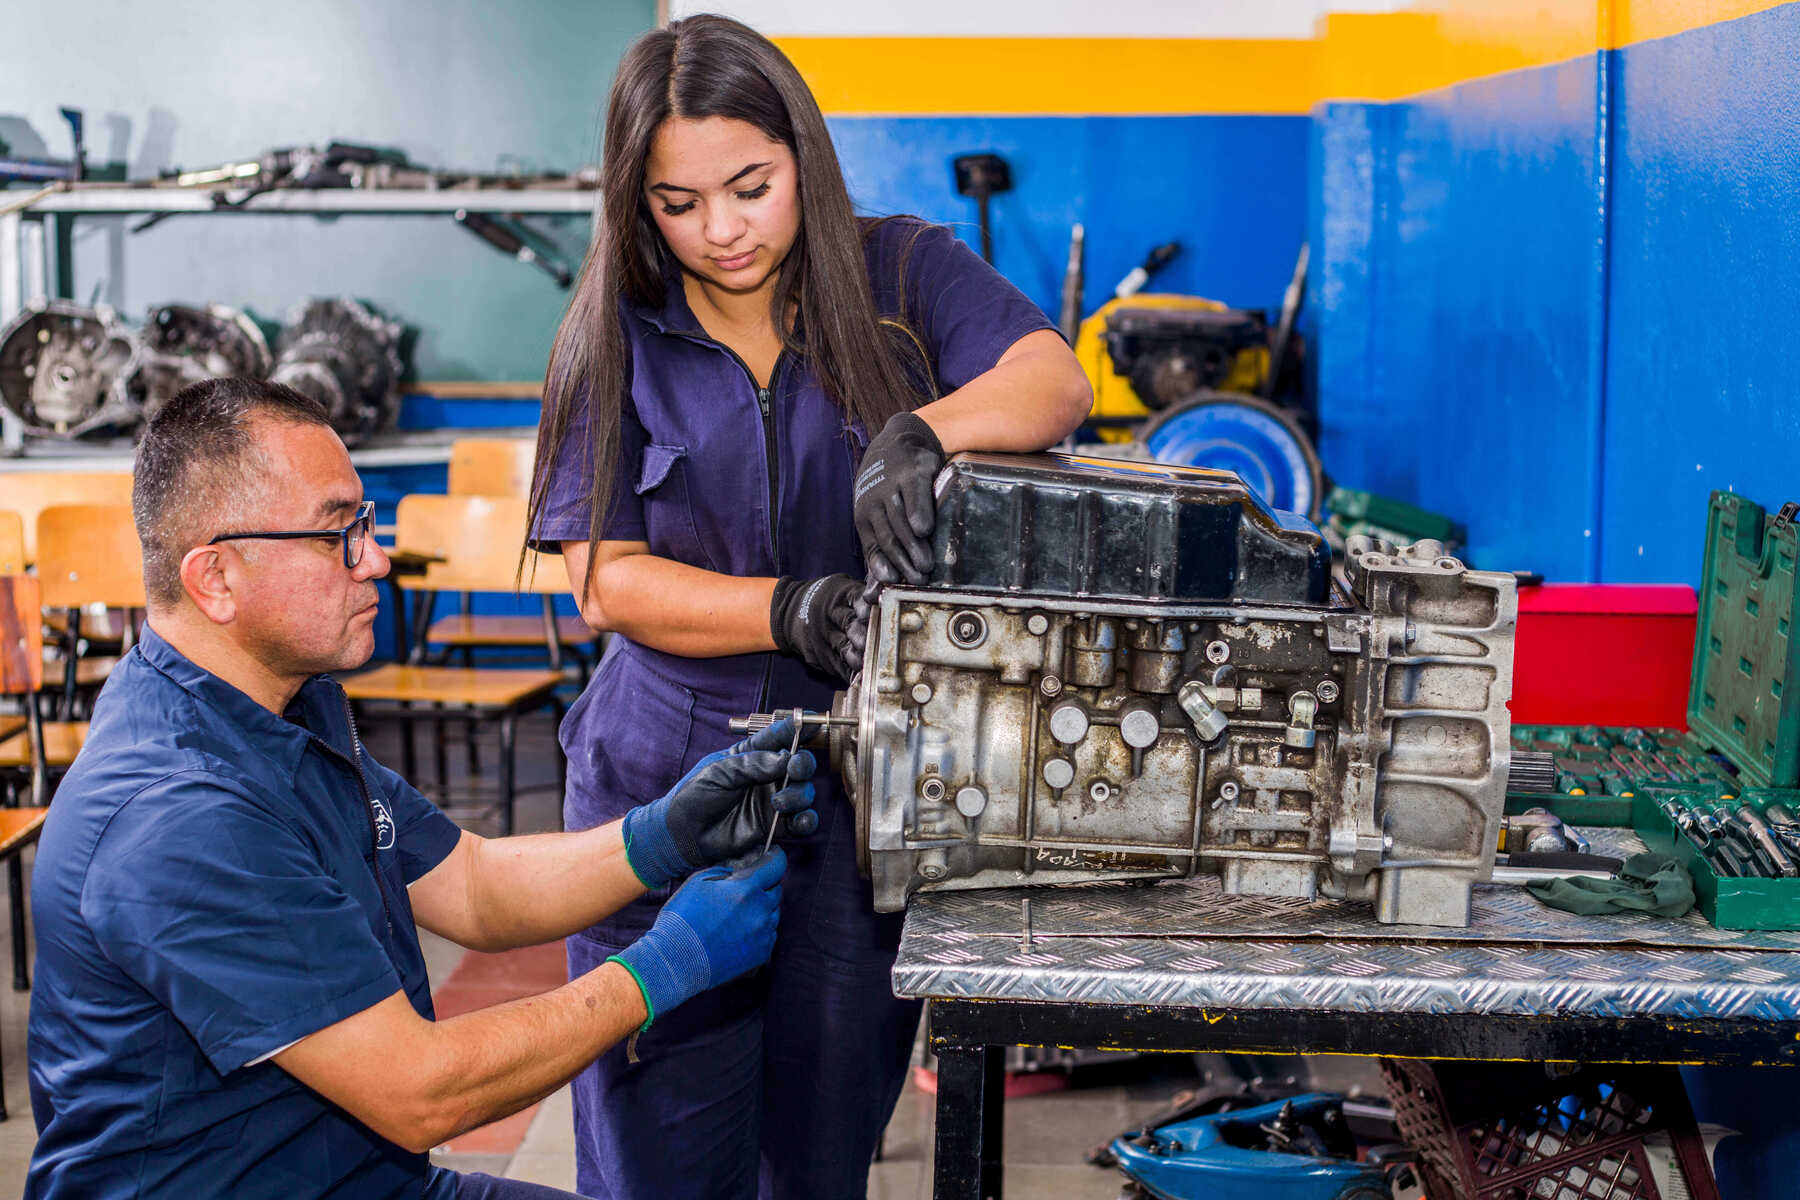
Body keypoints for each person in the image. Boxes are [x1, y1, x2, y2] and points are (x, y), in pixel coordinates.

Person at [525, 14, 1093, 1198]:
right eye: (678, 203)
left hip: (863, 799)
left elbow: (1055, 378)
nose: (721, 230)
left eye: (750, 186)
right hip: (663, 796)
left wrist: (919, 431)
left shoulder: (899, 271)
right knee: (659, 1162)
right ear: (637, 200)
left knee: (822, 1159)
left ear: (804, 157)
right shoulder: (611, 333)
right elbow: (603, 577)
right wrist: (786, 610)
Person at [25, 377, 819, 1200]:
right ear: (215, 578)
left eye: (364, 524)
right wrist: (665, 966)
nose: (376, 558)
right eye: (338, 532)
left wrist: (663, 837)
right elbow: (421, 1090)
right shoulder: (179, 815)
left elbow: (472, 886)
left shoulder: (277, 708)